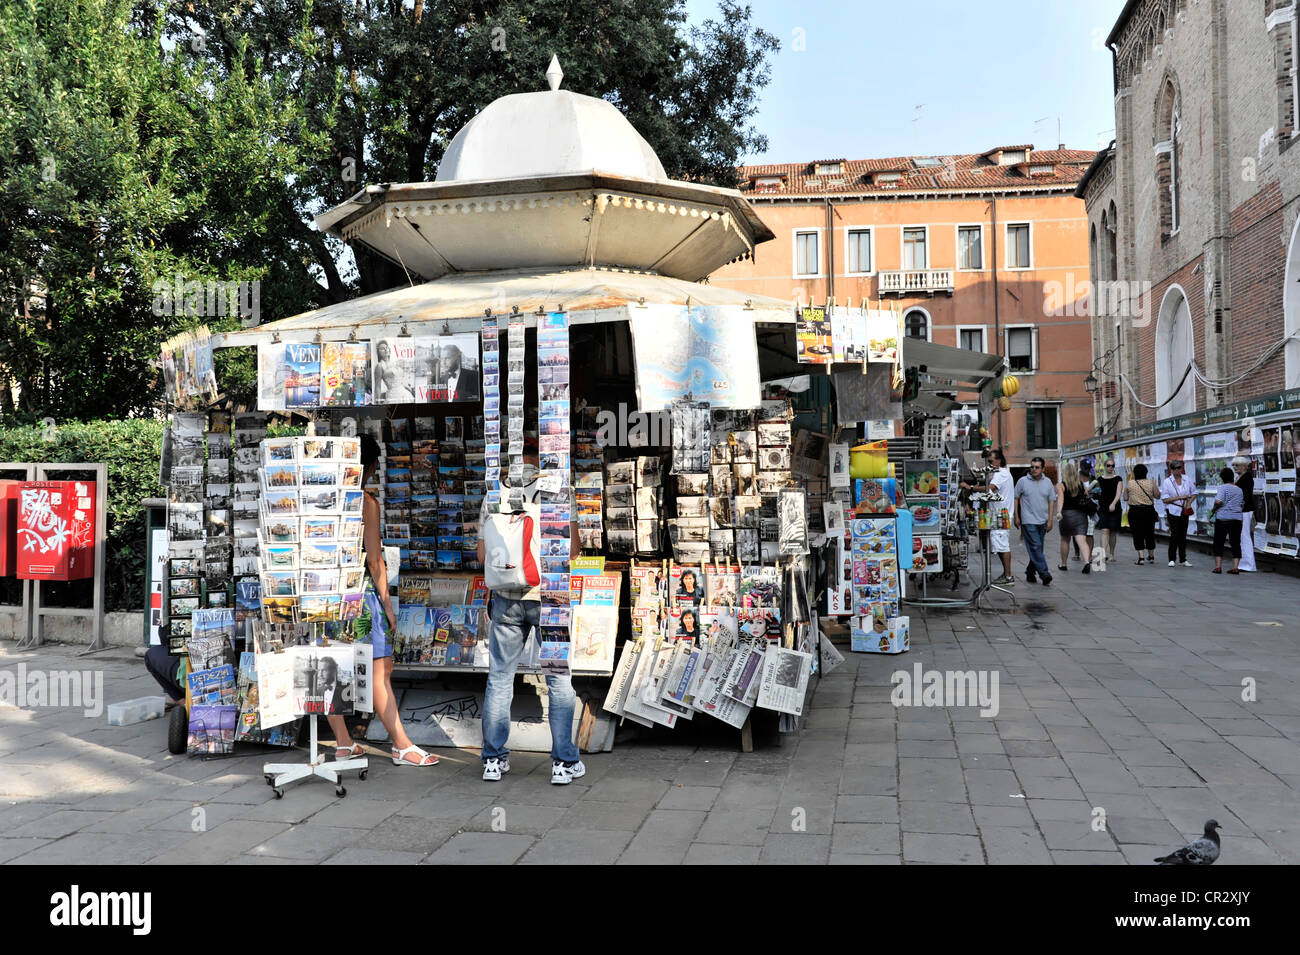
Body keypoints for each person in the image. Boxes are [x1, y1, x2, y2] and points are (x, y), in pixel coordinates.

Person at [476, 434, 585, 785]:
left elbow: (482, 556)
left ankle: (493, 760)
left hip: (506, 596)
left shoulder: (494, 493)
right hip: (549, 596)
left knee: (500, 678)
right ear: (540, 457)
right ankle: (563, 763)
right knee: (558, 679)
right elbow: (573, 550)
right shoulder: (556, 491)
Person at [327, 435, 439, 767]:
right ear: (372, 467)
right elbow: (375, 562)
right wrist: (388, 606)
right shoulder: (366, 502)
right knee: (381, 671)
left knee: (334, 670)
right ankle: (401, 745)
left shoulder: (326, 499)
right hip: (359, 598)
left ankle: (343, 743)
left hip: (329, 597)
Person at [961, 448, 1015, 585]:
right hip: (997, 514)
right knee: (999, 545)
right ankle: (1006, 574)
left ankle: (1008, 576)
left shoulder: (1001, 473)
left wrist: (970, 488)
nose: (989, 464)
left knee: (1003, 546)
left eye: (990, 461)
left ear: (999, 461)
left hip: (1001, 515)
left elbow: (990, 488)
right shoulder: (997, 473)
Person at [1014, 456, 1056, 585]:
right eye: (1032, 467)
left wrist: (1050, 520)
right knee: (1036, 546)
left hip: (1042, 520)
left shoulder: (1048, 482)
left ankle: (1030, 572)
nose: (1034, 469)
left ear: (1043, 469)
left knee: (1037, 549)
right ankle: (1044, 573)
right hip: (1028, 520)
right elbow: (1015, 498)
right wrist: (1016, 516)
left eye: (1037, 467)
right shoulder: (1022, 481)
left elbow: (1051, 501)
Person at [1055, 461, 1092, 573]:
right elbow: (1086, 497)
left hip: (1067, 515)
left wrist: (1059, 511)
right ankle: (1086, 562)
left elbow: (1061, 498)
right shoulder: (1081, 484)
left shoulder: (1061, 485)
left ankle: (1064, 564)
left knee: (1065, 540)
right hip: (1081, 515)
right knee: (1082, 540)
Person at [1160, 459, 1196, 567]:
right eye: (1174, 468)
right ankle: (1172, 558)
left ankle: (1183, 559)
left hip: (1184, 510)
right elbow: (1165, 499)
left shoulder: (1187, 479)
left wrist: (1189, 503)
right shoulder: (1167, 481)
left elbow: (1194, 492)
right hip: (1172, 510)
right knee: (1174, 534)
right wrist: (1180, 497)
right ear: (1171, 469)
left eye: (1179, 467)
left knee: (1183, 535)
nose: (1177, 470)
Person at [1209, 466, 1244, 574]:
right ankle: (1235, 568)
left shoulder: (1223, 488)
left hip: (1223, 518)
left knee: (1219, 542)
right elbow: (1242, 504)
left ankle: (1218, 567)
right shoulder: (1239, 489)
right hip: (1237, 519)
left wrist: (1213, 510)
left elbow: (1218, 502)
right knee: (1235, 542)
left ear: (1222, 478)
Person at [1124, 463, 1159, 564]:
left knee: (1137, 533)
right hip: (1149, 511)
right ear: (1146, 473)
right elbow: (1157, 496)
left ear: (1134, 473)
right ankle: (1151, 557)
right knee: (1149, 533)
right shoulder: (1150, 483)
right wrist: (1154, 484)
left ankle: (1141, 558)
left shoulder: (1130, 483)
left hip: (1135, 511)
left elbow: (1125, 498)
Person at [1094, 457, 1124, 560]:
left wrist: (1113, 503)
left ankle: (1111, 554)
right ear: (1105, 466)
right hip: (1103, 507)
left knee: (1113, 532)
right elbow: (1096, 492)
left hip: (1115, 508)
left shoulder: (1118, 478)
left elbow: (1119, 493)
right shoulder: (1099, 479)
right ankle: (1103, 554)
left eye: (1112, 466)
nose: (1110, 467)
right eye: (1108, 465)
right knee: (1104, 530)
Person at [1232, 456, 1256, 572]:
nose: (1235, 467)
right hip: (1241, 510)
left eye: (1237, 465)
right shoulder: (1239, 477)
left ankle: (1249, 564)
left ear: (1245, 467)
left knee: (1245, 536)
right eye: (1234, 465)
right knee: (1241, 537)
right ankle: (1243, 563)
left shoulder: (1247, 478)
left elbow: (1245, 495)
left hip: (1245, 510)